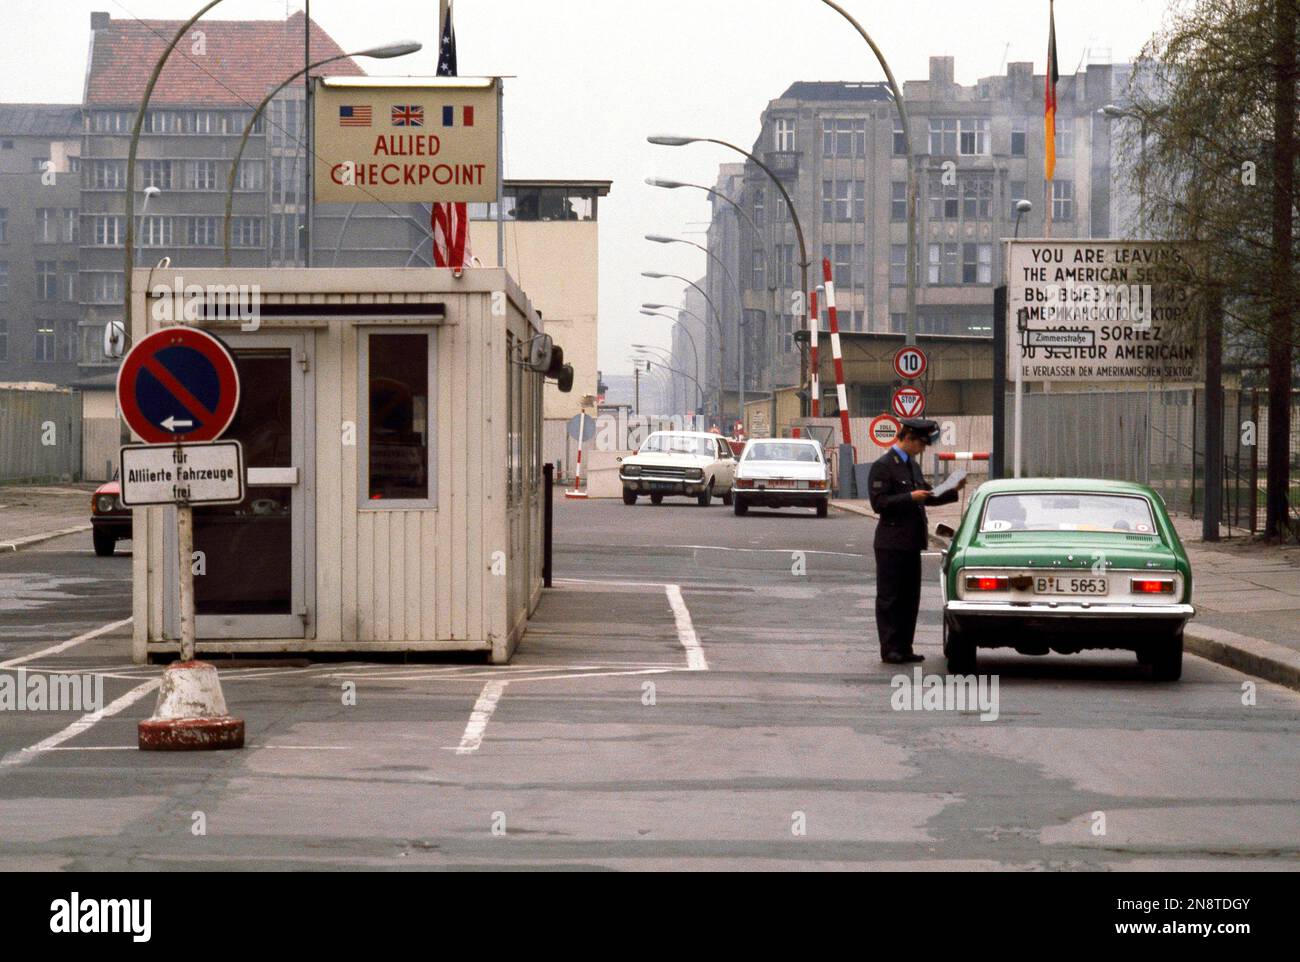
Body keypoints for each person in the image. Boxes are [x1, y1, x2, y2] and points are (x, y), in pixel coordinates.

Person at [867, 417, 966, 664]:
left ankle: (905, 645)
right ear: (908, 438)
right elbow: (879, 504)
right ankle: (890, 648)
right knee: (890, 597)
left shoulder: (912, 465)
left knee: (910, 597)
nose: (922, 449)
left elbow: (927, 495)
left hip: (911, 542)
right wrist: (909, 497)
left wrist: (953, 489)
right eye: (921, 444)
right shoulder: (883, 466)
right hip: (891, 542)